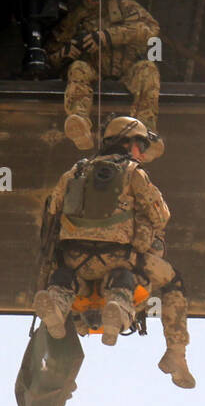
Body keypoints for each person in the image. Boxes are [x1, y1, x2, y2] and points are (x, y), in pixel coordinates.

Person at [31, 116, 195, 389]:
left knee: (66, 280)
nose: (142, 153)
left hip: (72, 260)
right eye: (140, 145)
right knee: (171, 280)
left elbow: (52, 212)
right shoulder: (133, 172)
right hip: (118, 259)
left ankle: (57, 303)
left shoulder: (74, 172)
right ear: (128, 143)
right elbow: (161, 216)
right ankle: (173, 352)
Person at [46, 0, 161, 150]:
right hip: (94, 74)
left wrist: (107, 37)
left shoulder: (126, 8)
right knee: (78, 68)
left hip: (128, 73)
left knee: (148, 69)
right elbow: (49, 58)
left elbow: (150, 31)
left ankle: (145, 132)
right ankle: (79, 123)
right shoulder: (74, 20)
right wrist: (66, 52)